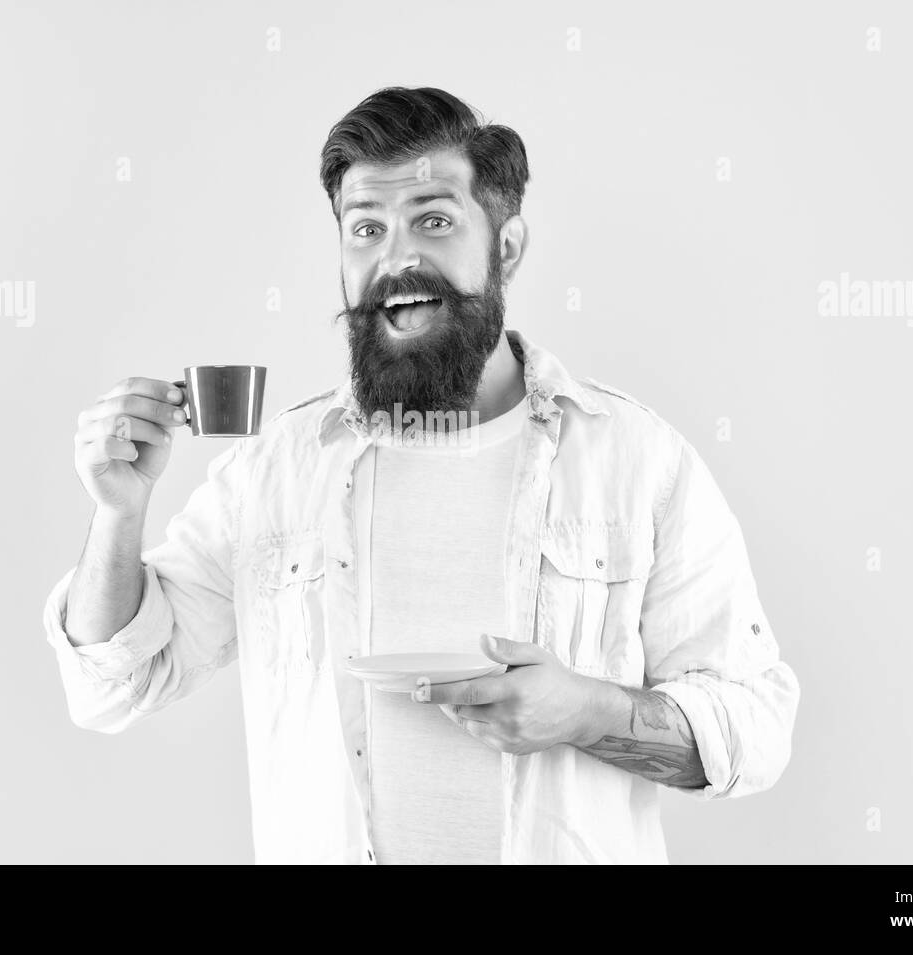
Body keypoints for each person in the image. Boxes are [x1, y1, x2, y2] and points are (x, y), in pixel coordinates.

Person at [44, 86, 800, 864]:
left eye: (434, 221)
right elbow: (113, 685)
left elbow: (756, 726)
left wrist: (585, 712)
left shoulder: (636, 460)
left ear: (506, 246)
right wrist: (118, 512)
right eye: (366, 228)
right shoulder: (275, 470)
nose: (397, 258)